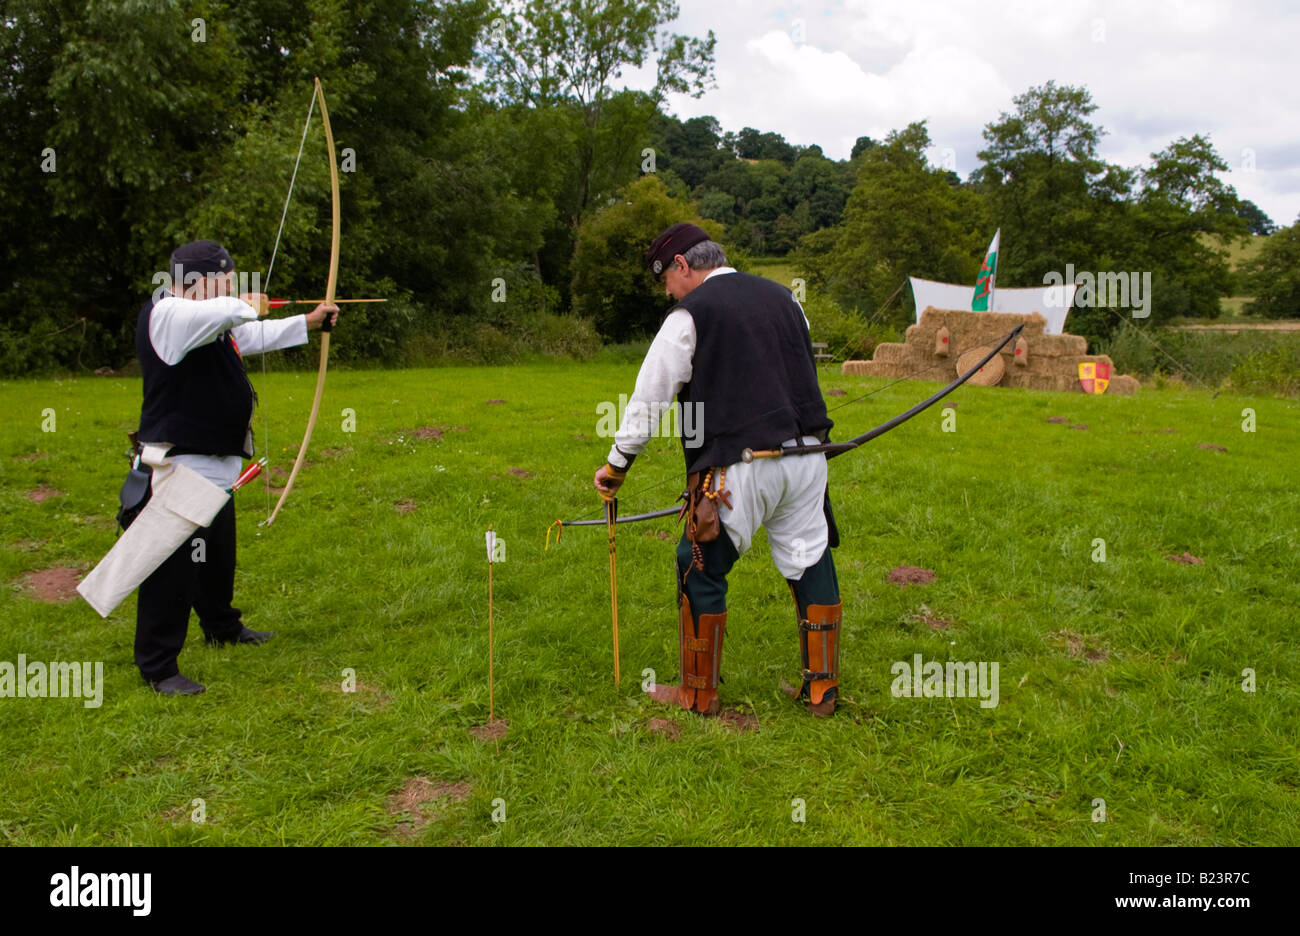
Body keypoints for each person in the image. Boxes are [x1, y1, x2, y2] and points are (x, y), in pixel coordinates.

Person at [593, 223, 844, 717]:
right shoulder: (787, 301)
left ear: (683, 265)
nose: (667, 289)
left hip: (740, 470)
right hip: (808, 459)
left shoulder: (691, 313)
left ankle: (697, 694)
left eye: (666, 277)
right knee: (809, 558)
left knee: (698, 562)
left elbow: (651, 396)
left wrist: (618, 463)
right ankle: (822, 691)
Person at [131, 239, 337, 695]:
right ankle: (157, 665)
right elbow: (226, 313)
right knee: (173, 568)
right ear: (198, 283)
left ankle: (222, 626)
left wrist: (306, 322)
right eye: (225, 280)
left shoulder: (211, 323)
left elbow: (247, 335)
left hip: (215, 464)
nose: (232, 287)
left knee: (215, 559)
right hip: (179, 465)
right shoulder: (168, 315)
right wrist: (242, 302)